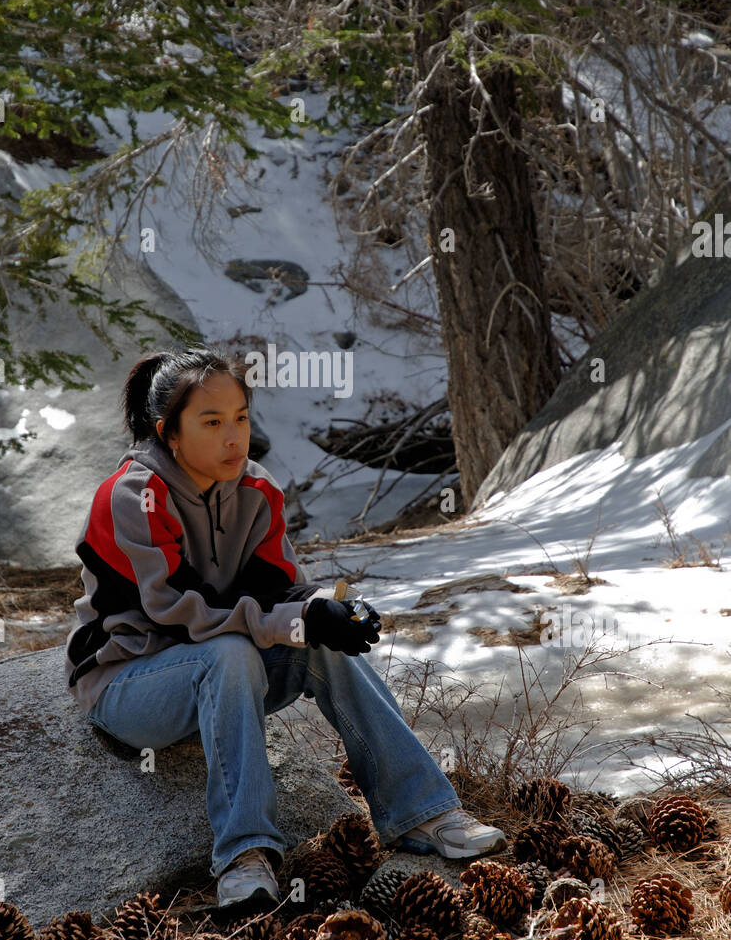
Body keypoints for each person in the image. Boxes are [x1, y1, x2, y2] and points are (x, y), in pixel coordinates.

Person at [63, 347, 506, 910]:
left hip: (221, 674)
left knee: (314, 642)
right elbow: (174, 612)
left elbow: (281, 587)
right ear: (167, 432)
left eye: (241, 419)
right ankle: (244, 855)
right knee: (228, 653)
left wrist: (325, 609)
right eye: (212, 422)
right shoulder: (130, 496)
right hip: (130, 685)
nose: (234, 438)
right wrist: (291, 621)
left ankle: (421, 811)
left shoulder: (255, 490)